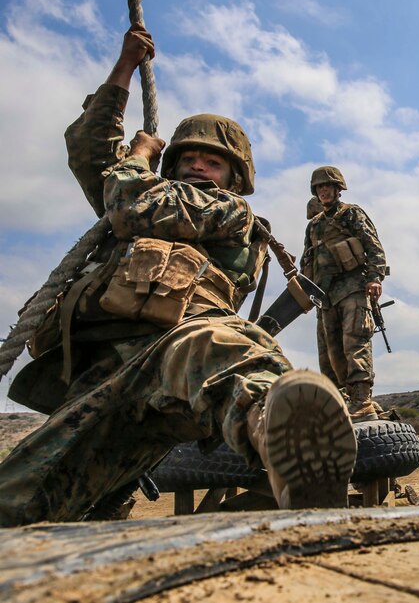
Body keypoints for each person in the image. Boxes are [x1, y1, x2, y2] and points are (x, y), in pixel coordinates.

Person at [0, 27, 358, 526]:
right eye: (187, 159)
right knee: (18, 498)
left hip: (174, 352)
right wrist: (124, 67)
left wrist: (142, 155)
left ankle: (286, 445)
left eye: (212, 162)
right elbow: (90, 153)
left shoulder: (225, 211)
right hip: (102, 374)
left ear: (234, 180)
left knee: (224, 352)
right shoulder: (140, 196)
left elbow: (129, 200)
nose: (197, 166)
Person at [301, 167, 388, 421]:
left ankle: (362, 399)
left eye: (327, 186)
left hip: (352, 288)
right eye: (319, 188)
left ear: (338, 188)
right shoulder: (314, 225)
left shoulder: (351, 213)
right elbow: (309, 258)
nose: (323, 191)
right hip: (324, 295)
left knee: (355, 342)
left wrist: (374, 277)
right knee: (329, 351)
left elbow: (373, 245)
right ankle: (340, 400)